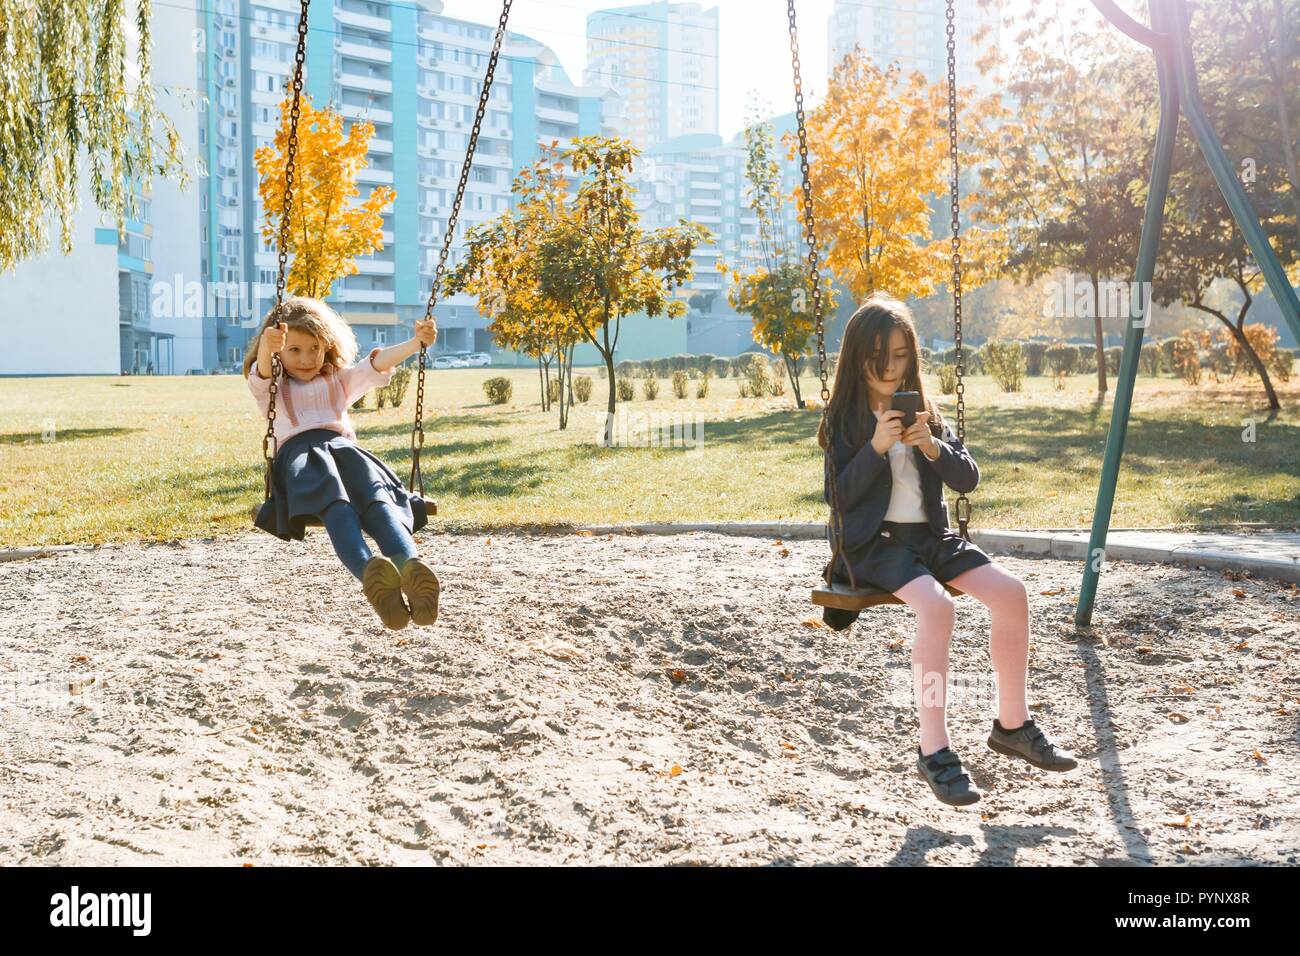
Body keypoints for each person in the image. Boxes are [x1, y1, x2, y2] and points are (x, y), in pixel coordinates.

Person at [818, 292, 1077, 807]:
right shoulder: (846, 421)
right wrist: (875, 447)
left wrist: (931, 446)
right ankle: (934, 749)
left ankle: (1012, 724)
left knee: (1011, 594)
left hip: (931, 540)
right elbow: (838, 496)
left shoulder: (926, 413)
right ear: (856, 358)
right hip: (875, 546)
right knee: (936, 607)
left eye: (899, 355)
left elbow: (968, 477)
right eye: (878, 356)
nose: (890, 367)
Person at [244, 296, 439, 631]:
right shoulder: (273, 389)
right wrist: (267, 346)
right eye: (294, 350)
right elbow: (261, 371)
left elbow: (375, 365)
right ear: (279, 350)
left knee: (381, 506)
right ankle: (372, 575)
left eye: (315, 348)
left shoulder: (337, 379)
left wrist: (415, 342)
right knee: (339, 510)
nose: (306, 358)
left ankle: (410, 568)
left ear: (327, 346)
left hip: (348, 456)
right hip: (303, 462)